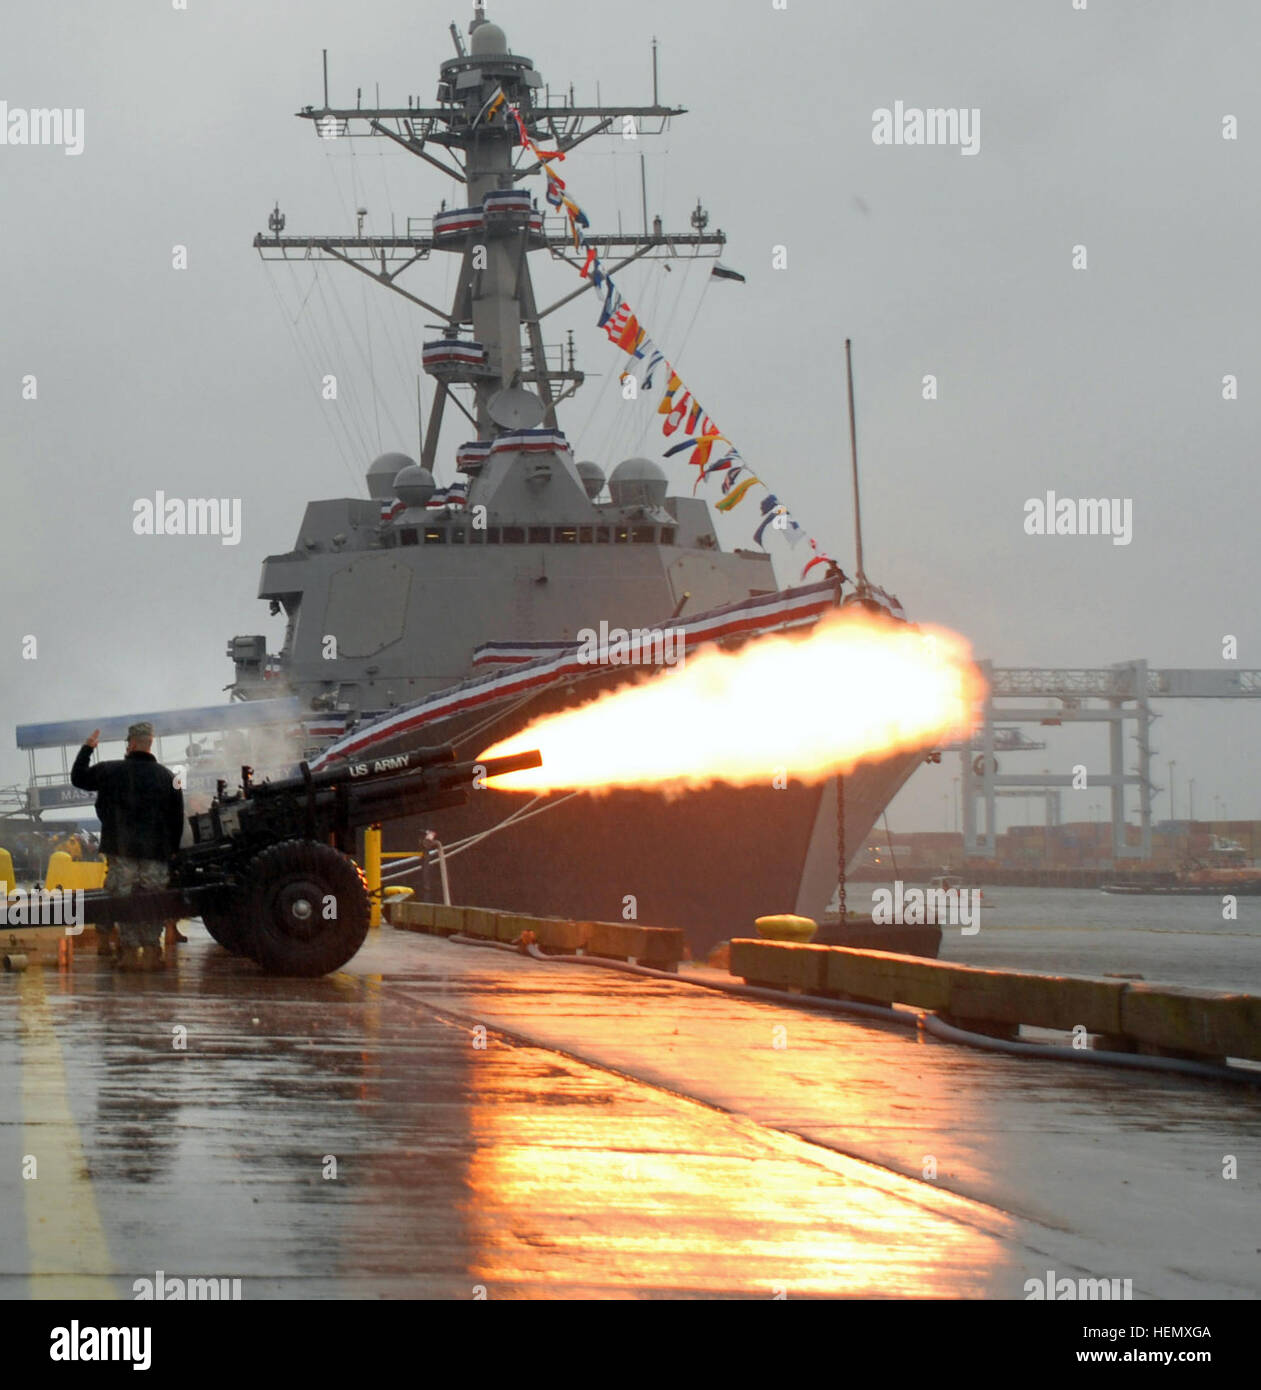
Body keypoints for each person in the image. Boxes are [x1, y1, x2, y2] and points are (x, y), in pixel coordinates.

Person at [71, 722, 184, 971]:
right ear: (150, 743)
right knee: (153, 899)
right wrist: (173, 849)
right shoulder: (170, 778)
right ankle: (153, 951)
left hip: (121, 849)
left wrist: (87, 749)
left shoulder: (111, 771)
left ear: (131, 744)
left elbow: (78, 777)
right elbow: (177, 817)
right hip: (156, 852)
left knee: (124, 898)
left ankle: (130, 952)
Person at [419, 829, 443, 903]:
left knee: (426, 876)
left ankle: (426, 890)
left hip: (425, 858)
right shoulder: (424, 839)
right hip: (423, 858)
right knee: (425, 880)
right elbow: (425, 844)